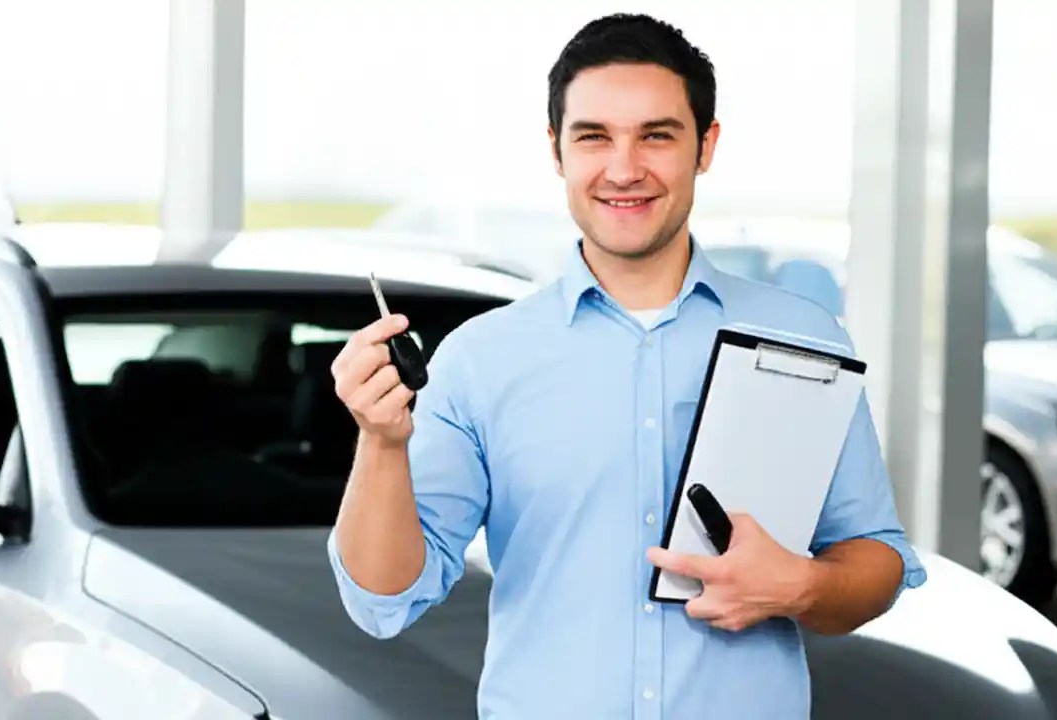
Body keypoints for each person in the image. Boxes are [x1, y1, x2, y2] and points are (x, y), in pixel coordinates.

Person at [326, 13, 926, 719]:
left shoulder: (803, 337)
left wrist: (800, 587)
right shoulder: (481, 359)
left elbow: (876, 560)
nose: (623, 168)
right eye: (593, 137)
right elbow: (385, 600)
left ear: (706, 146)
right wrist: (381, 441)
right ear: (556, 151)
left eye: (656, 135)